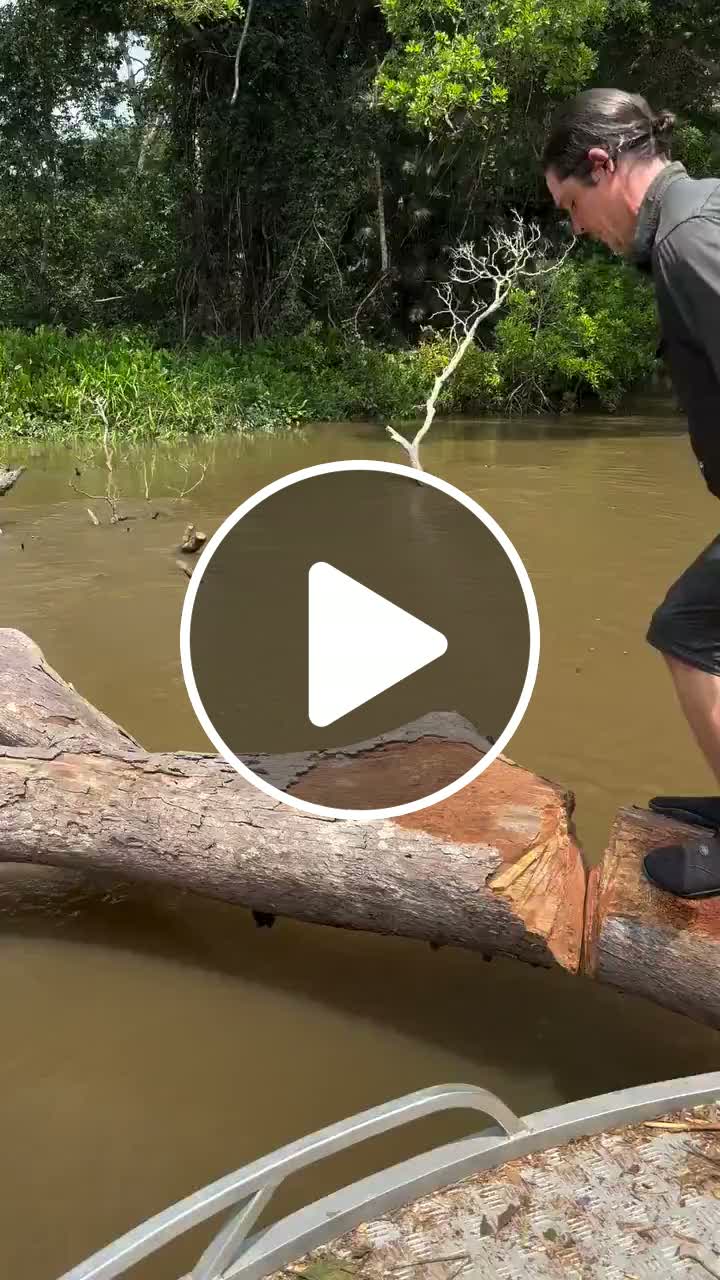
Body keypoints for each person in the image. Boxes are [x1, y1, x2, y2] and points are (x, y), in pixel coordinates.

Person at [542, 88, 720, 897]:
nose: (577, 229)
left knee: (688, 629)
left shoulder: (688, 239)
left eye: (571, 206)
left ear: (603, 165)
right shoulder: (699, 214)